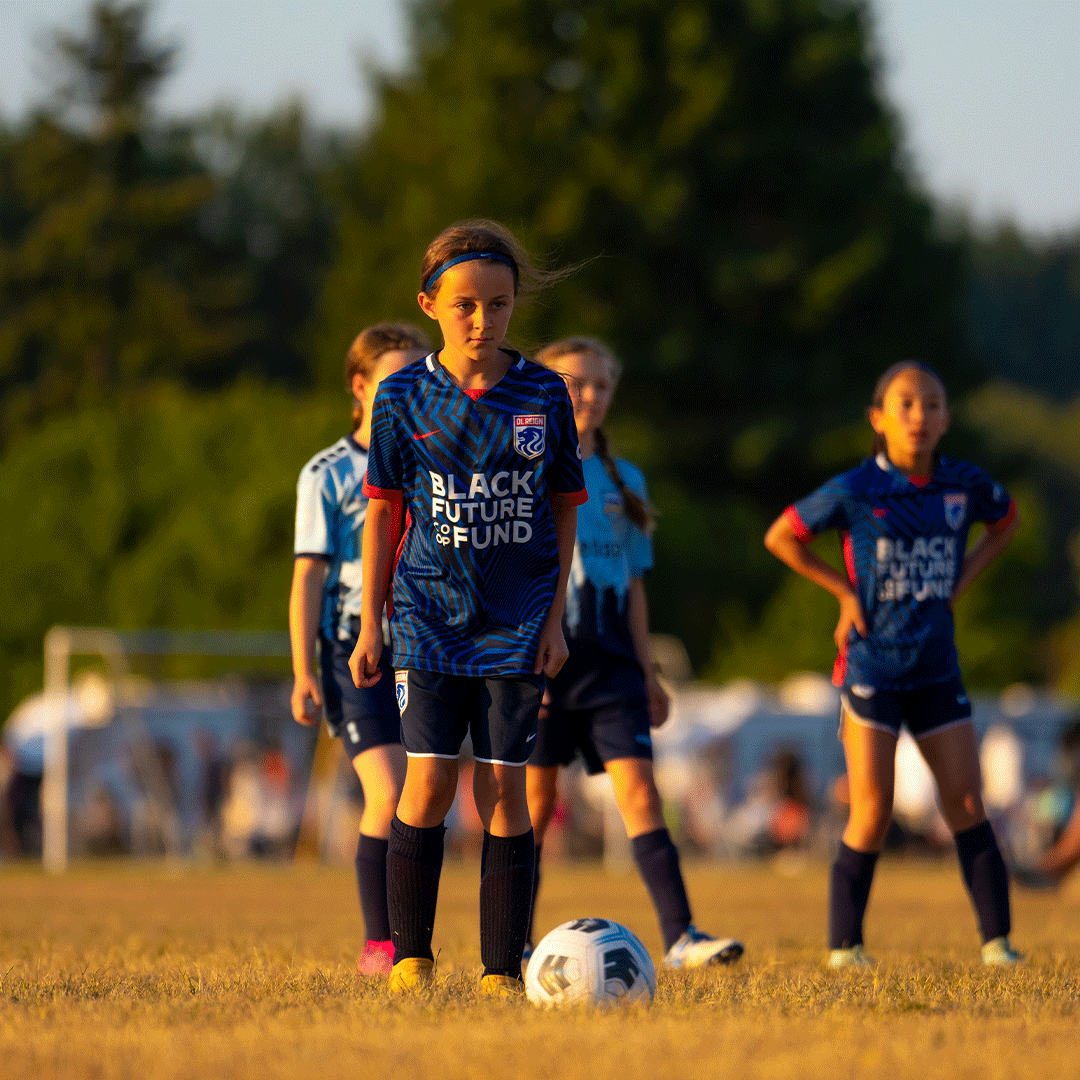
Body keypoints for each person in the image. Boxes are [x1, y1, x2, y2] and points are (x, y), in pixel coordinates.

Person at [348, 220, 587, 996]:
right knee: (426, 786)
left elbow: (564, 507)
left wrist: (553, 618)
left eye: (499, 304)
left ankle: (500, 971)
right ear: (429, 304)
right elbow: (382, 511)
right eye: (465, 306)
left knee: (504, 793)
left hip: (517, 621)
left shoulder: (544, 393)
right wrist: (372, 621)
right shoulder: (402, 396)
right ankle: (410, 959)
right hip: (426, 619)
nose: (483, 320)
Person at [764, 361, 1022, 968]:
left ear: (946, 418)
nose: (919, 416)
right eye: (905, 404)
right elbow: (781, 536)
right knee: (873, 808)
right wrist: (843, 592)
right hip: (872, 667)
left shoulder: (963, 484)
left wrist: (961, 581)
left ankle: (998, 944)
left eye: (932, 404)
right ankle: (845, 948)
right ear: (878, 418)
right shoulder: (856, 488)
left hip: (937, 668)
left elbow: (1005, 522)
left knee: (966, 802)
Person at [525, 337, 743, 968]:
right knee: (533, 809)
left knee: (642, 794)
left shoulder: (627, 481)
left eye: (600, 385)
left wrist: (648, 673)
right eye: (573, 382)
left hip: (612, 666)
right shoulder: (519, 466)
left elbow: (635, 584)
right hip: (539, 664)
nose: (588, 395)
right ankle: (513, 941)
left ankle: (682, 936)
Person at [290, 321, 431, 976]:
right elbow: (308, 577)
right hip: (353, 648)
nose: (408, 393)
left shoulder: (435, 459)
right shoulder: (326, 473)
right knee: (388, 788)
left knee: (425, 792)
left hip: (423, 644)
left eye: (418, 379)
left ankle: (414, 937)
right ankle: (384, 943)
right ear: (359, 386)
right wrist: (303, 671)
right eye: (393, 380)